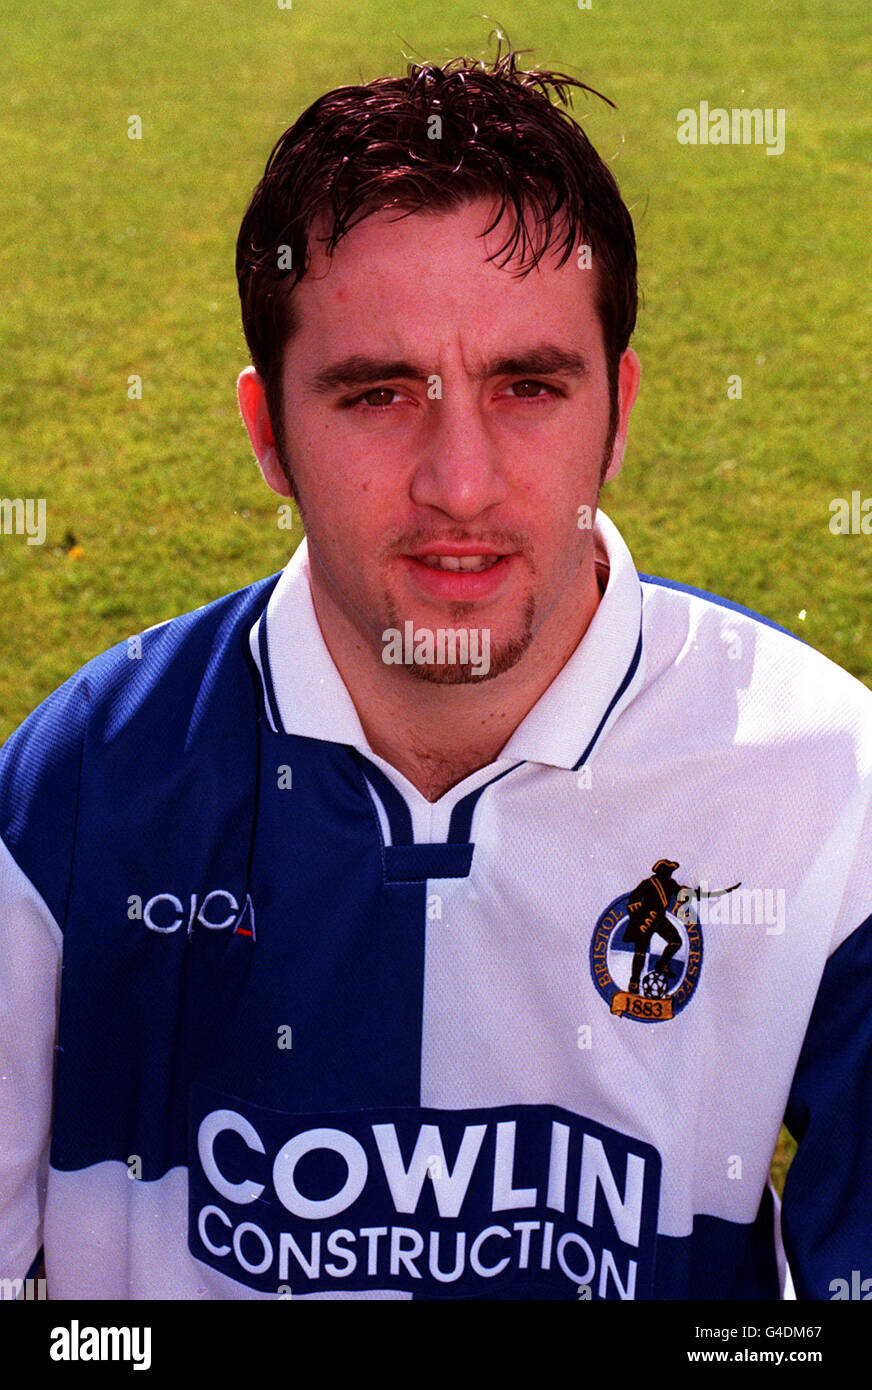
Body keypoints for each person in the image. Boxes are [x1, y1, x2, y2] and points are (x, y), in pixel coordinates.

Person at [1, 49, 870, 1303]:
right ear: (267, 435)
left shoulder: (825, 781)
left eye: (527, 385)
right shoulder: (78, 795)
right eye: (375, 393)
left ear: (616, 414)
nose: (457, 484)